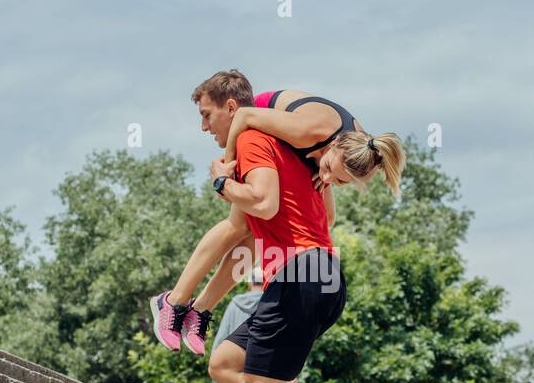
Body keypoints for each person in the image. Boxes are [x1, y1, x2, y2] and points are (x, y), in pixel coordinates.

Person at [150, 69, 403, 356]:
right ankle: (172, 301)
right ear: (333, 147)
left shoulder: (360, 153)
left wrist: (326, 176)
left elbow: (329, 218)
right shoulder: (310, 132)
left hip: (301, 147)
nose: (330, 179)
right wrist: (226, 173)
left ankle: (201, 309)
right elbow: (244, 117)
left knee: (264, 233)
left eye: (341, 181)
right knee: (239, 224)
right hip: (260, 119)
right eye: (331, 170)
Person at [204, 103, 353, 383]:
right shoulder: (299, 159)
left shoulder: (253, 142)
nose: (204, 127)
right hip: (320, 275)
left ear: (230, 110)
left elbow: (262, 205)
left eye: (208, 116)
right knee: (225, 364)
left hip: (300, 275)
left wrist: (220, 178)